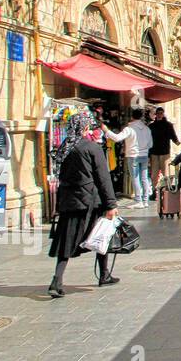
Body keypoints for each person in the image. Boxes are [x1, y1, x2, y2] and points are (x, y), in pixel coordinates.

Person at [48, 109, 121, 296]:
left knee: (66, 241)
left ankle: (57, 280)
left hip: (68, 202)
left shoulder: (65, 147)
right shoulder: (91, 148)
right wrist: (111, 204)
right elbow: (103, 178)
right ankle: (104, 274)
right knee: (101, 235)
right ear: (85, 127)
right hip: (90, 201)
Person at [105, 107, 153, 207]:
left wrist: (106, 130)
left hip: (133, 155)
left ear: (132, 117)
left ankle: (138, 200)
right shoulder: (147, 129)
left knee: (135, 178)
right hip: (144, 155)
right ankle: (145, 201)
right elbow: (150, 144)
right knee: (144, 177)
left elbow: (117, 138)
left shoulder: (129, 129)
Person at [147, 106, 179, 191]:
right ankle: (154, 190)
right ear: (156, 114)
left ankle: (166, 189)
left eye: (161, 113)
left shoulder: (168, 125)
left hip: (164, 152)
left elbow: (173, 135)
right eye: (158, 113)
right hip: (155, 152)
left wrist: (177, 141)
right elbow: (148, 139)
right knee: (154, 174)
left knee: (165, 172)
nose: (159, 115)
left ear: (163, 114)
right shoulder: (151, 126)